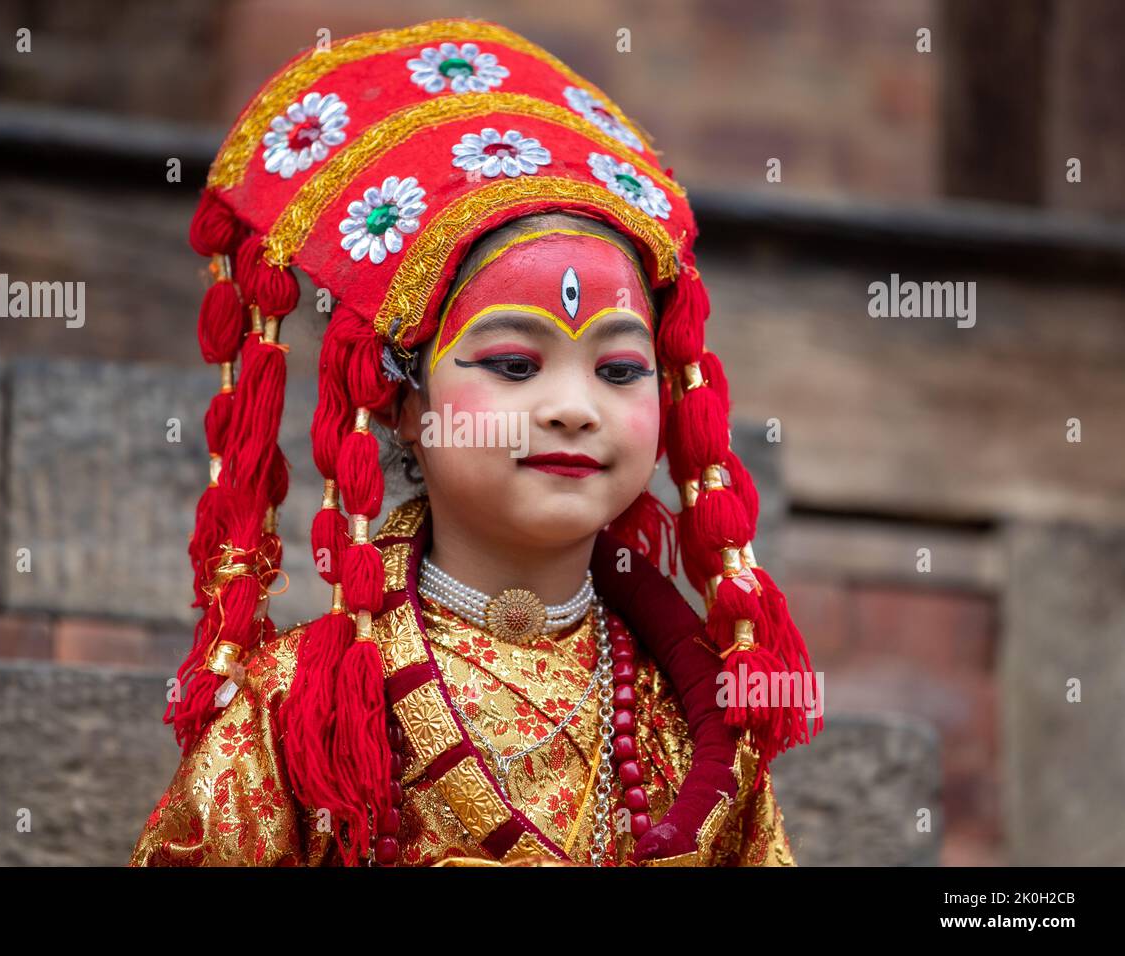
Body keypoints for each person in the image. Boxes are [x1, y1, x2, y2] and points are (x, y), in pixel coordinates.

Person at [130, 17, 820, 867]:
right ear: (404, 403)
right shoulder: (299, 710)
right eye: (513, 363)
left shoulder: (696, 715)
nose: (574, 408)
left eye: (618, 371)